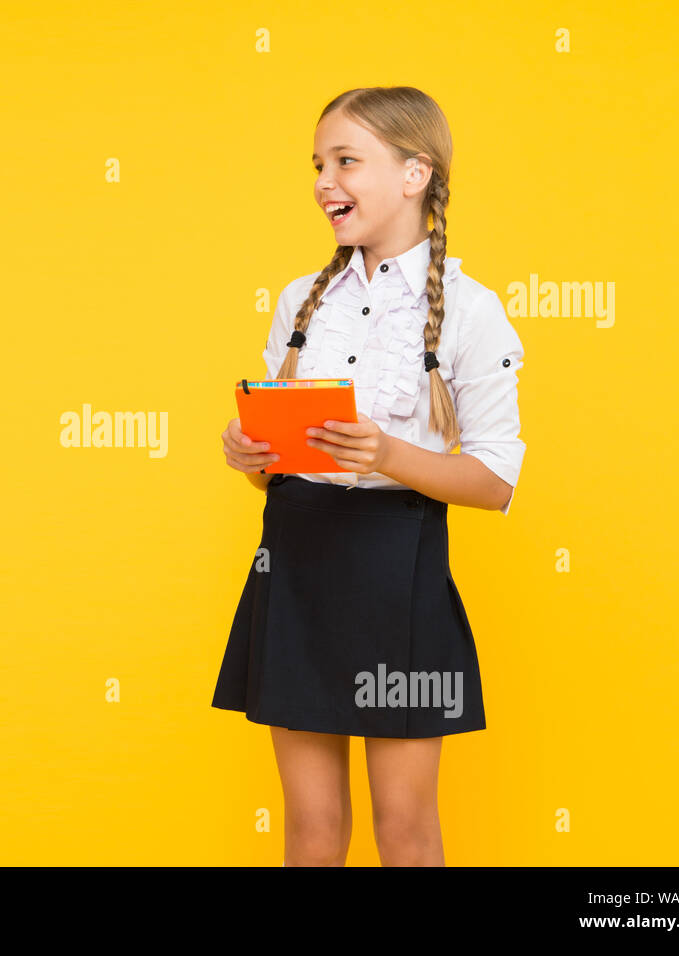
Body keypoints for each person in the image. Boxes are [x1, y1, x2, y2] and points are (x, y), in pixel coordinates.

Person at [213, 86, 526, 867]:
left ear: (416, 173)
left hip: (398, 575)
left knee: (405, 828)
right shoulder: (299, 300)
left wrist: (386, 454)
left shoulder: (471, 309)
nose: (324, 181)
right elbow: (285, 460)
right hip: (296, 563)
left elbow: (494, 482)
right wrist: (254, 457)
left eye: (346, 160)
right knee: (312, 828)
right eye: (318, 164)